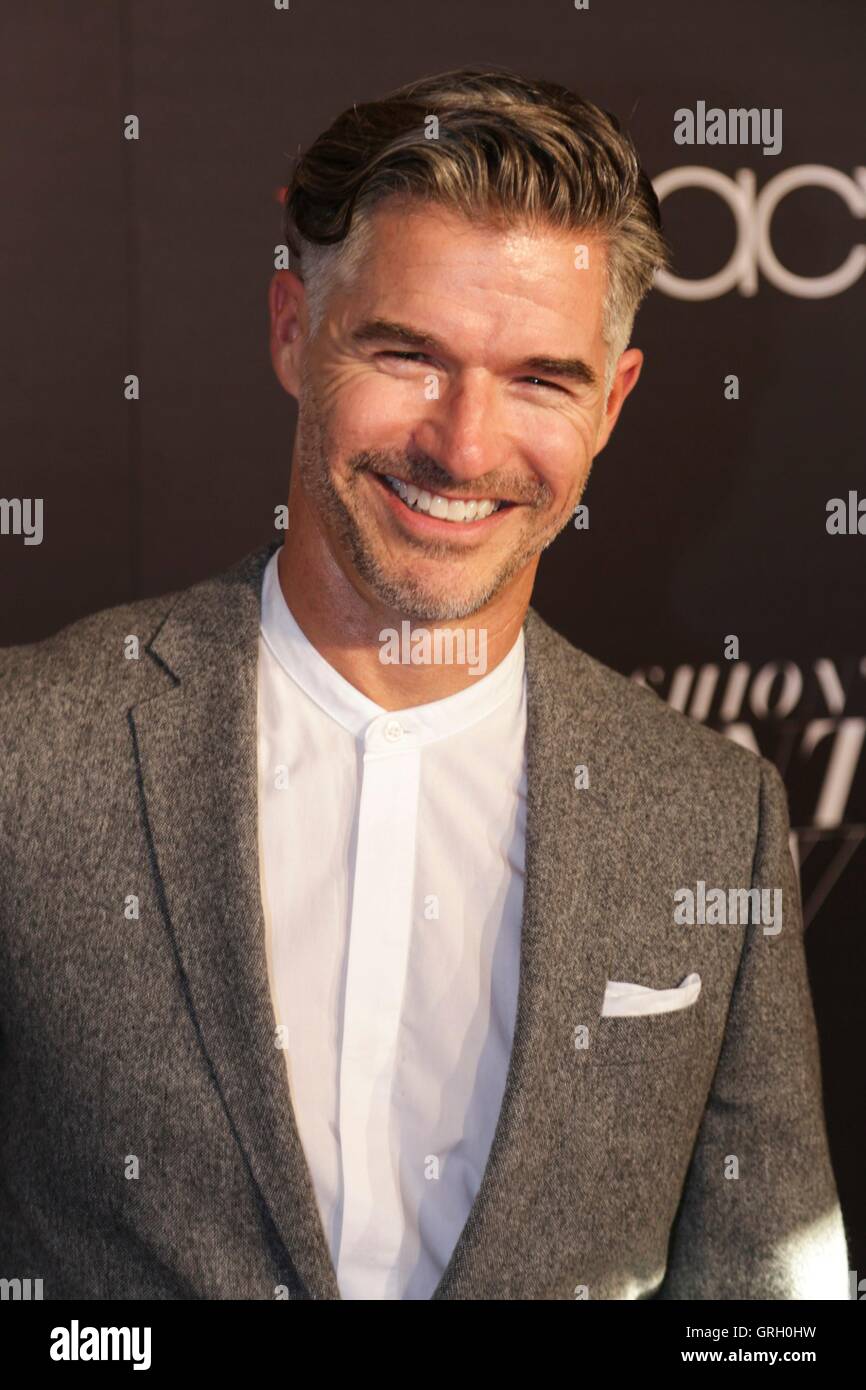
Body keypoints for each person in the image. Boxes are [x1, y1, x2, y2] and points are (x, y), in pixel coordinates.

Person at [0, 66, 850, 1300]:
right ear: (294, 331)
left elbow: (766, 1301)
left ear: (610, 404)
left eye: (539, 381)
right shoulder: (29, 752)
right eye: (406, 353)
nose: (462, 445)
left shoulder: (713, 815)